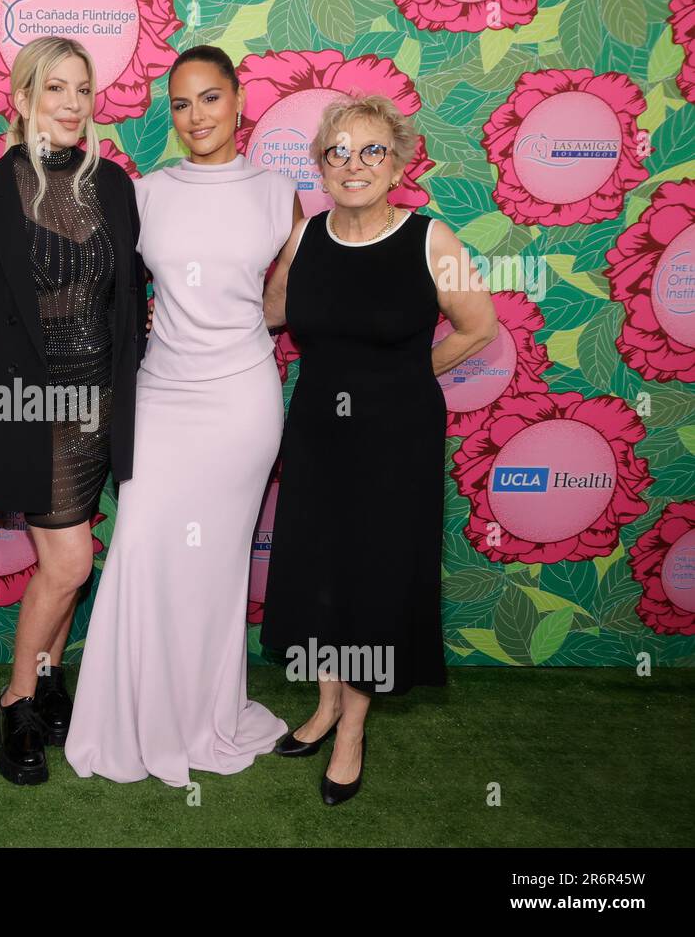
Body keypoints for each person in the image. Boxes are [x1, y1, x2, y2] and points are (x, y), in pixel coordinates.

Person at [64, 46, 301, 786]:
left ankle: (203, 714)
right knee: (140, 545)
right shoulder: (148, 191)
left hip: (240, 403)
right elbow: (112, 294)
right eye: (181, 103)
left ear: (238, 100)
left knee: (216, 567)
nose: (196, 115)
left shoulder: (277, 192)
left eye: (209, 98)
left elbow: (282, 303)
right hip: (162, 395)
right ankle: (129, 718)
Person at [259, 94, 498, 805]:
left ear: (397, 163)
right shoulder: (308, 237)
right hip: (316, 430)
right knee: (321, 571)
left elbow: (478, 327)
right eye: (337, 152)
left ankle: (353, 729)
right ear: (321, 167)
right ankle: (327, 704)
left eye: (371, 151)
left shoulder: (432, 238)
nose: (353, 164)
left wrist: (399, 380)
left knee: (374, 576)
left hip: (394, 438)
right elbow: (274, 310)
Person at [0, 37, 145, 785]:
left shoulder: (117, 188)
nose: (70, 104)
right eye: (54, 88)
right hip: (35, 408)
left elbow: (130, 303)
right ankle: (17, 698)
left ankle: (51, 676)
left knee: (68, 563)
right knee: (69, 562)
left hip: (102, 403)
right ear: (22, 98)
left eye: (82, 90)